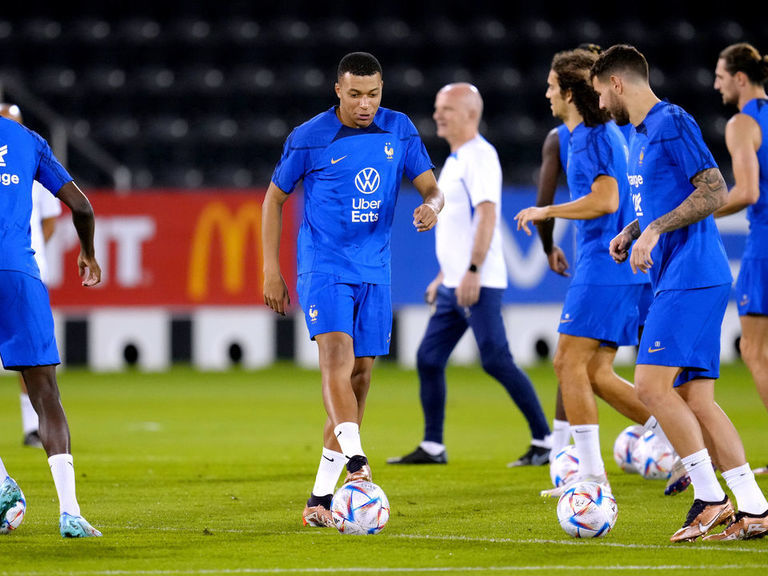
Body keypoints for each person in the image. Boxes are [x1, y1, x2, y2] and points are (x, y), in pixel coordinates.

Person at [590, 43, 768, 542]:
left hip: (692, 275)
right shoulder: (638, 137)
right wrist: (633, 229)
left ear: (619, 83)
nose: (601, 104)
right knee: (697, 399)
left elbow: (714, 189)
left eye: (602, 93)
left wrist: (654, 231)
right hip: (679, 275)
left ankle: (709, 497)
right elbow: (663, 200)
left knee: (649, 386)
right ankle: (754, 507)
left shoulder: (672, 121)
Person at [261, 52, 444, 528]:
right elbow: (274, 199)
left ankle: (319, 500)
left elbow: (432, 186)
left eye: (374, 94)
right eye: (356, 94)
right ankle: (358, 468)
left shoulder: (398, 128)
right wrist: (270, 269)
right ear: (337, 91)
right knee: (337, 361)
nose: (365, 104)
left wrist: (433, 205)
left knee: (360, 377)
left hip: (375, 271)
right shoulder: (309, 137)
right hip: (324, 268)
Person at [515, 48, 662, 498]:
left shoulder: (590, 138)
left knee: (565, 362)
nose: (546, 94)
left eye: (551, 86)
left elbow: (607, 200)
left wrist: (547, 209)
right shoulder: (599, 134)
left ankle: (592, 476)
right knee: (596, 373)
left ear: (570, 94)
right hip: (616, 268)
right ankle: (676, 432)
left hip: (604, 265)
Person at [386, 83, 552, 468]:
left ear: (470, 114)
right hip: (453, 282)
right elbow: (457, 227)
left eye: (446, 108)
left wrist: (473, 270)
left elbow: (487, 216)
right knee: (428, 358)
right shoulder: (456, 160)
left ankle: (545, 440)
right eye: (437, 106)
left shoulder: (480, 156)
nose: (437, 114)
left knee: (496, 359)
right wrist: (444, 275)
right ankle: (432, 446)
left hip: (478, 282)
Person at [0, 109, 102, 537]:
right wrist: (88, 252)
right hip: (18, 274)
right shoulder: (29, 140)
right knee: (46, 394)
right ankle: (70, 512)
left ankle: (3, 484)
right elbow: (81, 204)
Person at [712, 43, 768, 476]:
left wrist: (696, 214)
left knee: (755, 351)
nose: (717, 84)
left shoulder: (742, 122)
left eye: (721, 76)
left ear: (741, 79)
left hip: (764, 246)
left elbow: (747, 191)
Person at [0, 103, 62, 449]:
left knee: (33, 361)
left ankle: (32, 427)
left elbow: (50, 220)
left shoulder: (32, 164)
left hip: (27, 268)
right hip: (16, 268)